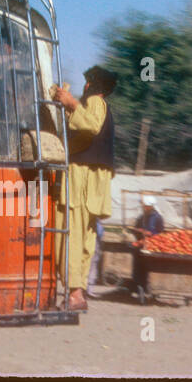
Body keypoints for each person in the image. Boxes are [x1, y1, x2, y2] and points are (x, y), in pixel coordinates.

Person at [49, 65, 118, 312]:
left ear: (92, 85)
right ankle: (78, 294)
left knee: (69, 235)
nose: (84, 87)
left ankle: (75, 294)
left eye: (87, 83)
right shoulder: (102, 107)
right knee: (85, 239)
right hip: (94, 182)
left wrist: (70, 103)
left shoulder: (95, 104)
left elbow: (89, 126)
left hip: (81, 178)